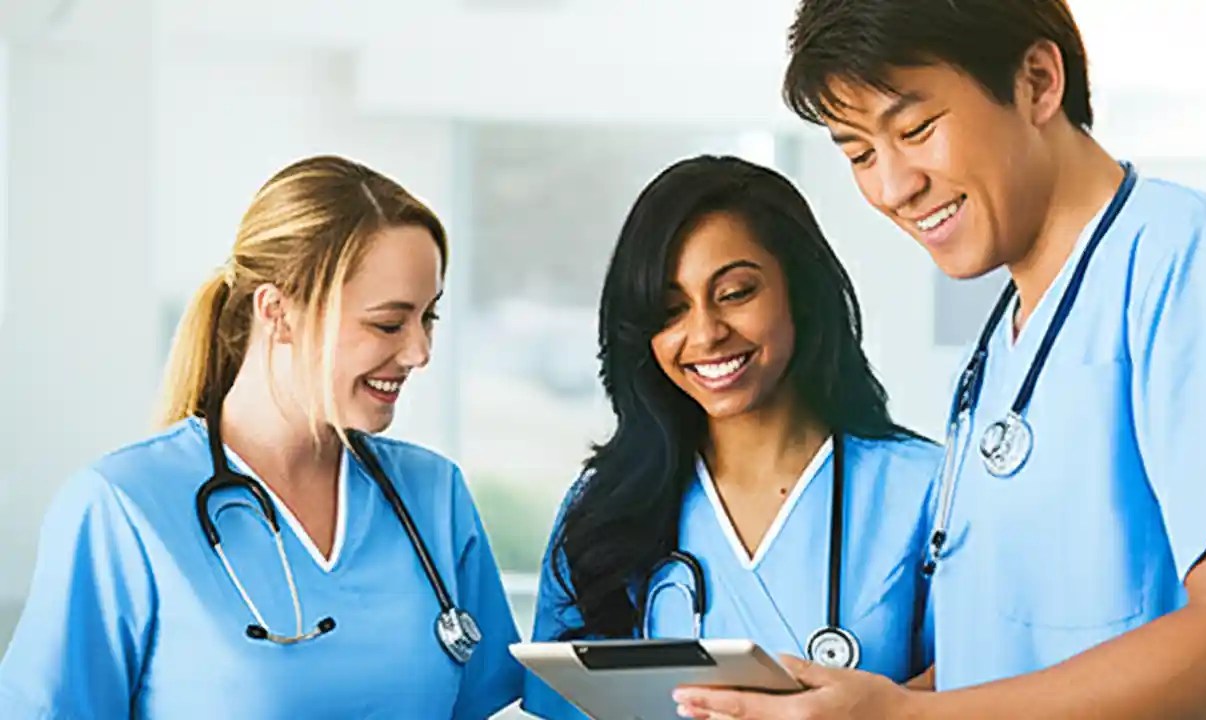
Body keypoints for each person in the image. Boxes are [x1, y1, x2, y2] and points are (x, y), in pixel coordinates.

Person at [671, 1, 1206, 718]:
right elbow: (1015, 662)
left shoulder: (1188, 259)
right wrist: (859, 705)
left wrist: (907, 718)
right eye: (861, 154)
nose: (894, 188)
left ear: (1037, 82)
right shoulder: (1002, 347)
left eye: (916, 129)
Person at [0, 155, 522, 719]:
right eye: (389, 323)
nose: (420, 352)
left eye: (429, 319)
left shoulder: (433, 496)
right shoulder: (121, 508)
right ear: (278, 311)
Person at [521, 155, 943, 719]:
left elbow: (988, 689)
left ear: (799, 288)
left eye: (736, 292)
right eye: (670, 310)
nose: (706, 333)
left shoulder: (925, 490)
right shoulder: (603, 508)